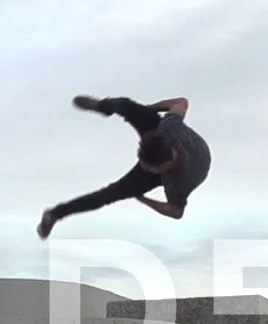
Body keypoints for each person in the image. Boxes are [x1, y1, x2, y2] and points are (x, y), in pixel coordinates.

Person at [36, 94, 212, 239]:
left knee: (109, 194)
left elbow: (176, 212)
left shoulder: (177, 184)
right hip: (165, 139)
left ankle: (55, 214)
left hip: (187, 166)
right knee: (129, 107)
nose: (143, 167)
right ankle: (102, 106)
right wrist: (146, 109)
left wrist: (144, 200)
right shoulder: (169, 127)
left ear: (161, 169)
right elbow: (181, 102)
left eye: (147, 167)